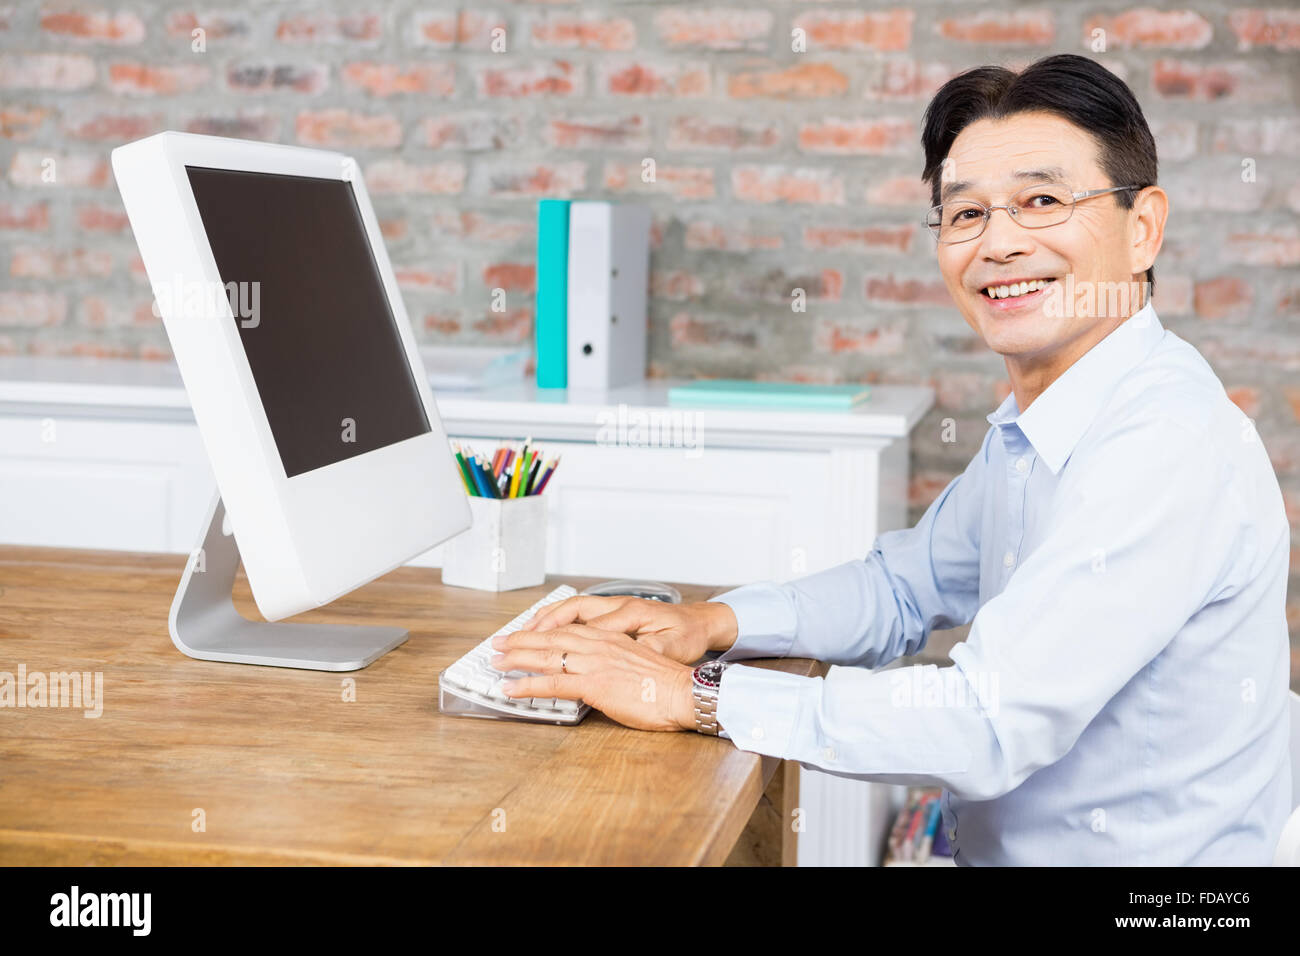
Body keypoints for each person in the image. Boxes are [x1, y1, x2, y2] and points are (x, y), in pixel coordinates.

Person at [492, 54, 1292, 866]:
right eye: (966, 213)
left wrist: (691, 695)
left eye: (1043, 201)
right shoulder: (1051, 416)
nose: (999, 243)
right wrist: (709, 625)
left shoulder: (1163, 446)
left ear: (1143, 228)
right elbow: (902, 585)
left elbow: (984, 722)